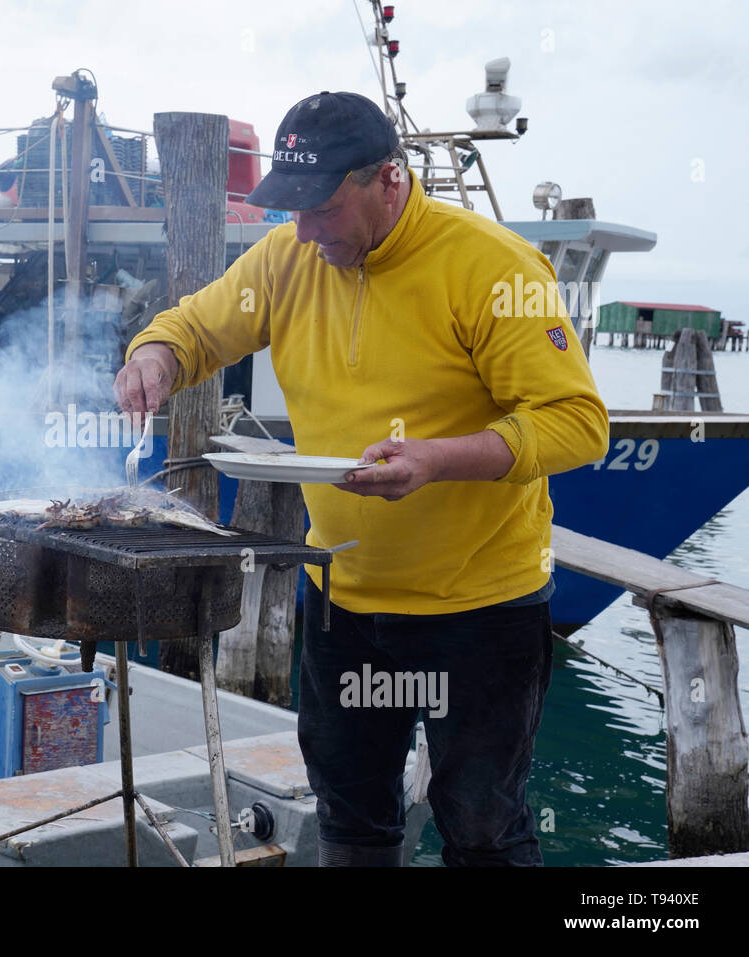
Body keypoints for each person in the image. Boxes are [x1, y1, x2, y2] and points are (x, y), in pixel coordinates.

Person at [113, 91, 609, 866]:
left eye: (321, 208)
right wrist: (156, 354)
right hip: (344, 596)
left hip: (479, 608)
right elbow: (199, 324)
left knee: (482, 830)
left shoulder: (493, 266)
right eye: (292, 208)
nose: (304, 230)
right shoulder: (289, 256)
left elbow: (577, 422)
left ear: (388, 179)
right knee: (351, 824)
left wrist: (436, 459)